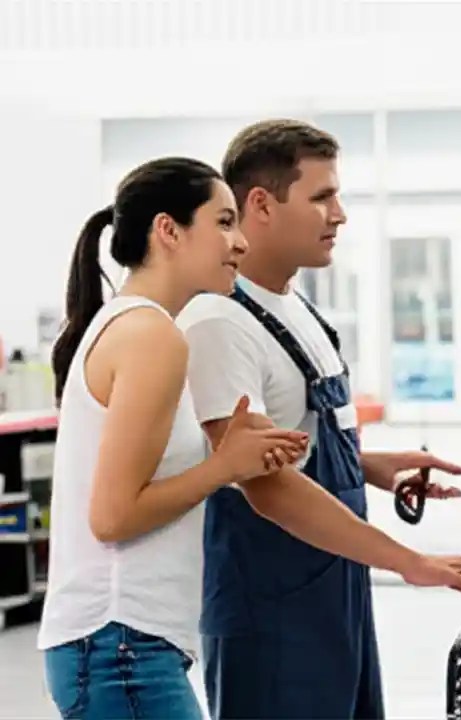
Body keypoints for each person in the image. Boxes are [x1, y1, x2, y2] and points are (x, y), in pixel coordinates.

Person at [176, 119, 461, 719]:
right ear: (260, 203)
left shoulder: (296, 308)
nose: (339, 214)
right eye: (321, 196)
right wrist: (411, 561)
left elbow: (291, 444)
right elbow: (263, 484)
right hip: (271, 613)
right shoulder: (218, 321)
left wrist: (370, 467)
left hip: (336, 596)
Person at [36, 157, 313, 719]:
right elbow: (113, 517)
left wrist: (225, 451)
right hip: (120, 645)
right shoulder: (151, 336)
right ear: (168, 230)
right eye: (224, 222)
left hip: (121, 644)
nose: (239, 242)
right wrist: (224, 466)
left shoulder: (132, 325)